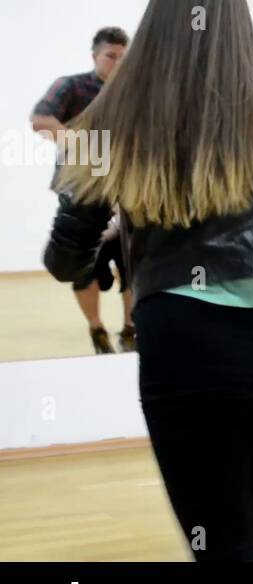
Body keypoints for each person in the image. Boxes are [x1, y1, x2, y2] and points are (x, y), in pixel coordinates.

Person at [44, 0, 253, 562]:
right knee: (236, 522)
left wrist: (104, 248)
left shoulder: (110, 115)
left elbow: (64, 258)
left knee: (225, 539)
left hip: (187, 350)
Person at [31, 27, 135, 354]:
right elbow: (41, 120)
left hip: (126, 196)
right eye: (111, 56)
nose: (118, 62)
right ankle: (97, 329)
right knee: (80, 269)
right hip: (83, 198)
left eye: (123, 56)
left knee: (131, 267)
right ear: (95, 56)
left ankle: (131, 329)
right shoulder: (72, 86)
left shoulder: (134, 92)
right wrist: (86, 149)